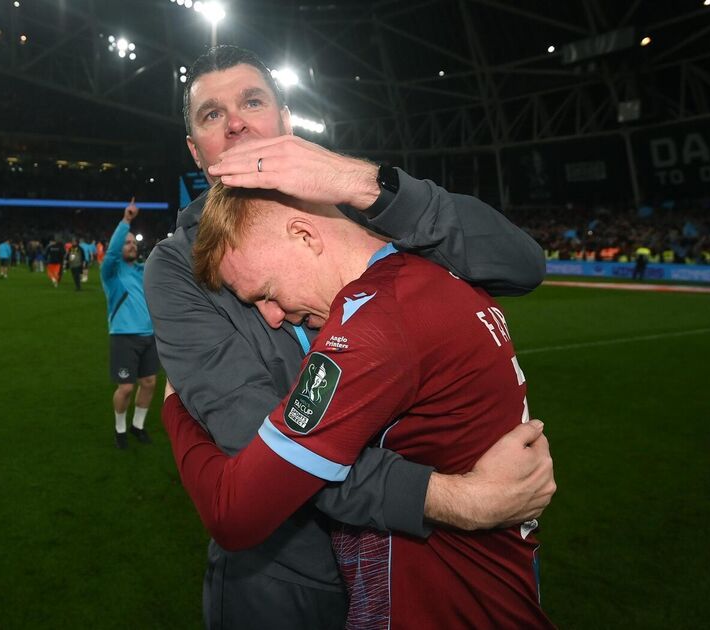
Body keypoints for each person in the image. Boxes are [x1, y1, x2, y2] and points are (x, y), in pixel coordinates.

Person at [144, 45, 554, 630]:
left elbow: (521, 266)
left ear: (286, 123)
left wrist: (356, 180)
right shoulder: (180, 267)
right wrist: (452, 499)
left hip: (424, 570)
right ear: (196, 151)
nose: (235, 122)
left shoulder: (364, 206)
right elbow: (255, 458)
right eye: (212, 115)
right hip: (288, 583)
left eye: (252, 101)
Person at [102, 199, 158, 449]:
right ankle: (120, 429)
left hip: (149, 336)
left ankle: (138, 426)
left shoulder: (143, 270)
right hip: (123, 336)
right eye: (126, 242)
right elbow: (112, 251)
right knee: (125, 387)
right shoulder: (111, 274)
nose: (130, 245)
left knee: (149, 383)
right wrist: (126, 222)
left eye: (133, 242)